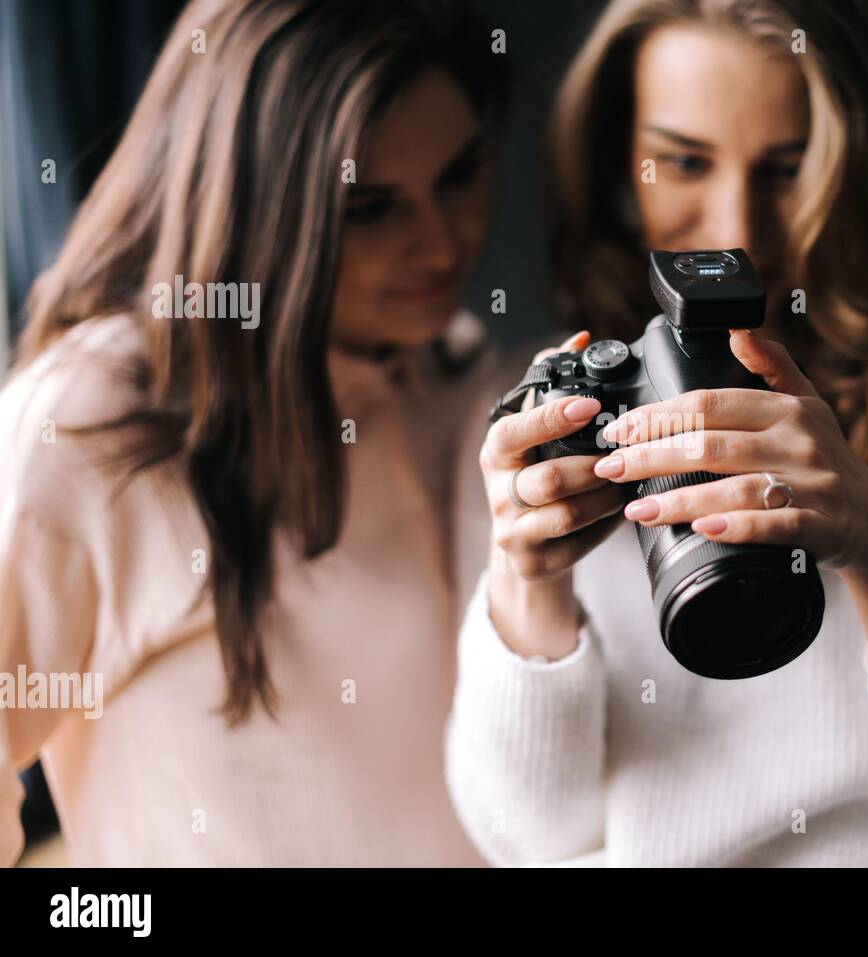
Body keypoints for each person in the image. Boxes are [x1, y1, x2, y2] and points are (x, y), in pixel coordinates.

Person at [446, 0, 868, 866]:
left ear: (866, 167)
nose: (739, 231)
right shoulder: (564, 412)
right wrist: (528, 582)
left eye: (789, 168)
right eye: (685, 162)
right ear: (620, 167)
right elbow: (525, 838)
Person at [0, 0, 503, 866]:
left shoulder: (452, 371)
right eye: (372, 208)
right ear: (248, 207)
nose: (442, 243)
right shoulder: (93, 415)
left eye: (458, 176)